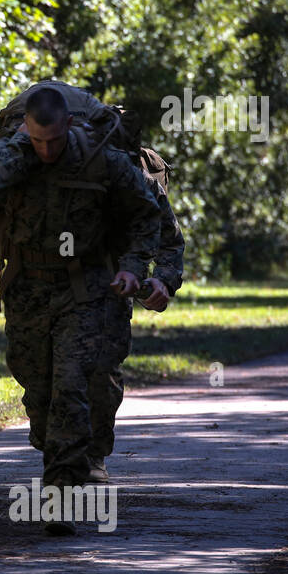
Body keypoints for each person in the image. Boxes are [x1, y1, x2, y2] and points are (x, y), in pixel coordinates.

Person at [0, 86, 159, 533]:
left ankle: (60, 490)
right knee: (37, 387)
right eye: (37, 140)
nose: (47, 150)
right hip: (28, 288)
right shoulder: (13, 153)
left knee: (71, 385)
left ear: (69, 127)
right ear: (26, 131)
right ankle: (58, 453)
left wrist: (134, 269)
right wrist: (23, 146)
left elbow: (145, 215)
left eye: (54, 141)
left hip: (86, 287)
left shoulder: (102, 159)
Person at [88, 177, 185, 482]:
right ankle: (58, 449)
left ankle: (90, 455)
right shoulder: (26, 150)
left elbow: (167, 235)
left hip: (106, 288)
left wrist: (163, 278)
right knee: (38, 378)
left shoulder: (122, 168)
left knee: (101, 370)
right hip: (36, 291)